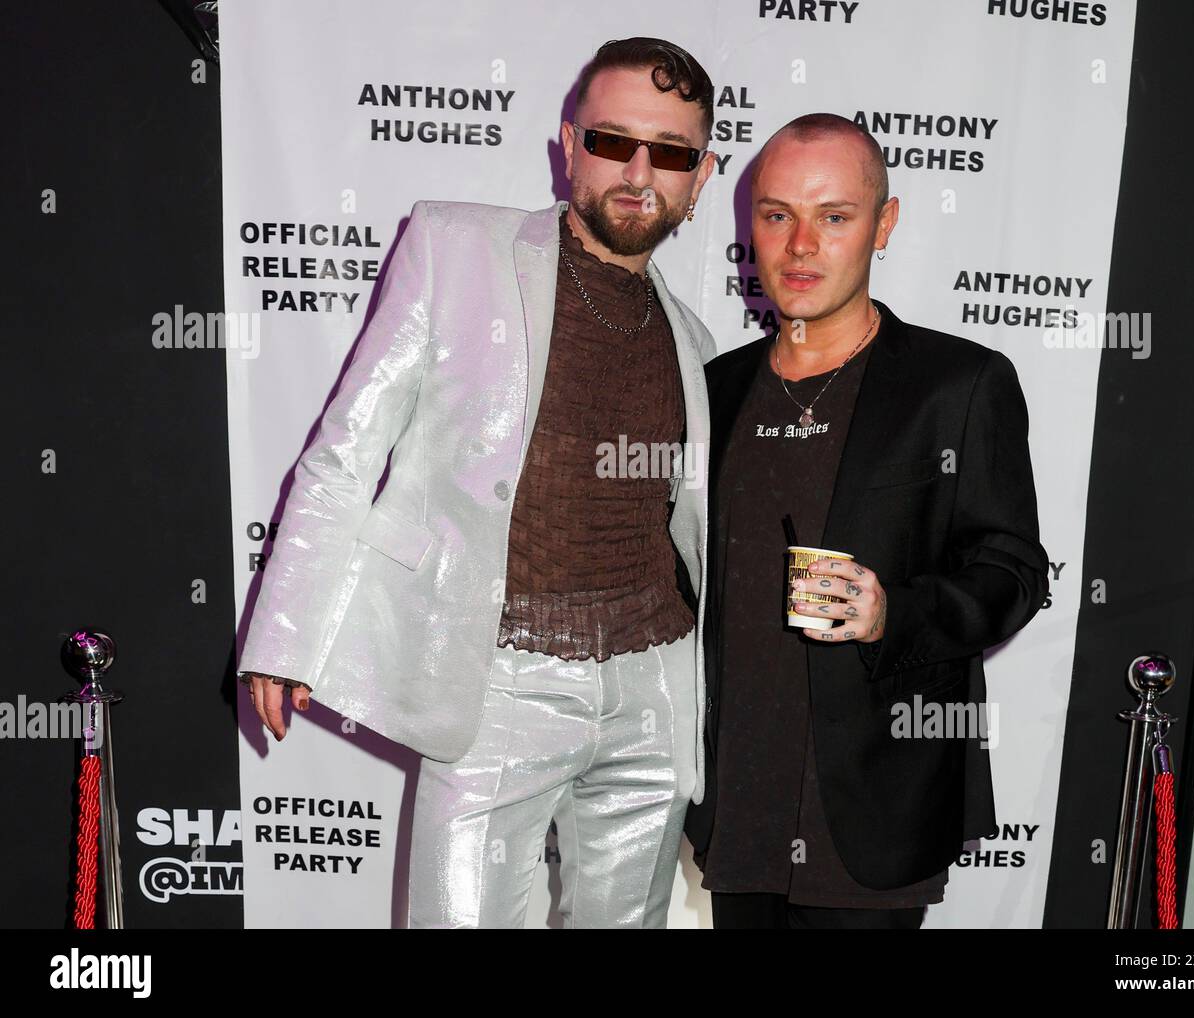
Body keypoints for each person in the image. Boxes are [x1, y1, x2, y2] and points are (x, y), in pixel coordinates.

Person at [237, 37, 718, 928]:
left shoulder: (696, 341)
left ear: (701, 175)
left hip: (654, 690)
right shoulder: (456, 250)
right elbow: (346, 449)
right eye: (614, 141)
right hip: (498, 681)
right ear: (569, 143)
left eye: (673, 153)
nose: (639, 171)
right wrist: (283, 634)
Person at [684, 113, 1049, 929]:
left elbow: (1014, 572)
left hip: (872, 809)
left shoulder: (957, 384)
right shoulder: (714, 390)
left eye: (834, 216)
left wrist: (894, 612)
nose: (801, 245)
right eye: (777, 215)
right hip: (733, 805)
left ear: (884, 224)